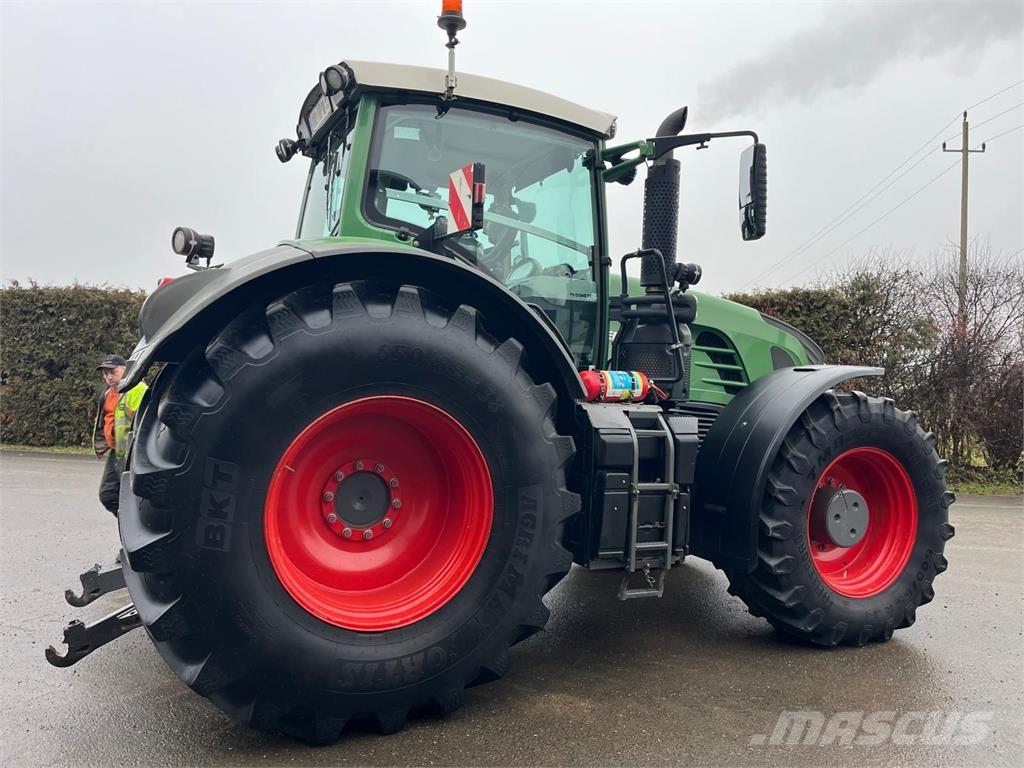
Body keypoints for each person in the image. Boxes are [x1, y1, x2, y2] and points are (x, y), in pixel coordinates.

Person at [93, 354, 147, 516]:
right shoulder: (108, 393)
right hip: (116, 451)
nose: (108, 377)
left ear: (125, 370)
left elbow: (145, 422)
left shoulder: (138, 389)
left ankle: (140, 527)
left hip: (133, 453)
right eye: (105, 373)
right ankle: (131, 524)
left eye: (112, 372)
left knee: (134, 496)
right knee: (108, 495)